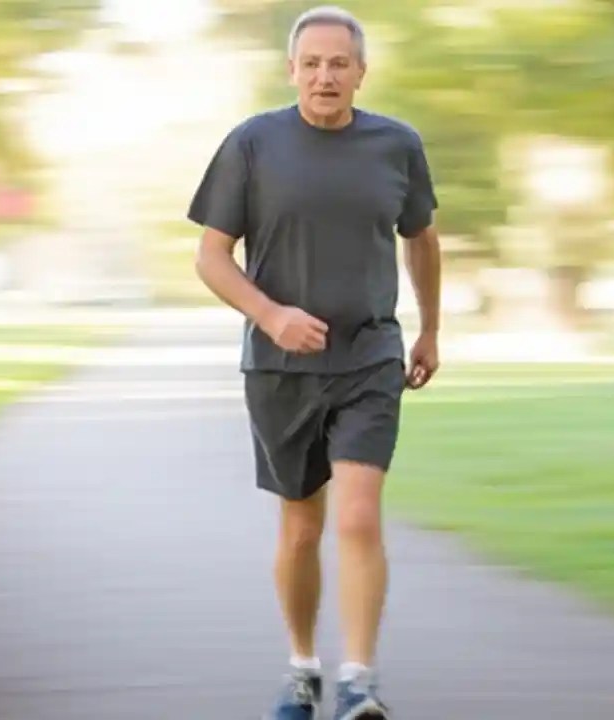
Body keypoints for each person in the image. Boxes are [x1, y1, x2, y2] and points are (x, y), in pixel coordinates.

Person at [187, 5, 441, 718]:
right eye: (312, 62)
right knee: (301, 529)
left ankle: (360, 678)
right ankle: (303, 669)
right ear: (292, 69)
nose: (325, 75)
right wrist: (271, 314)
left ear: (362, 71)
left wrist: (430, 331)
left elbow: (422, 238)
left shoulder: (398, 145)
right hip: (278, 368)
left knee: (359, 517)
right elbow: (211, 256)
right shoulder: (252, 144)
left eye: (339, 63)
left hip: (369, 355)